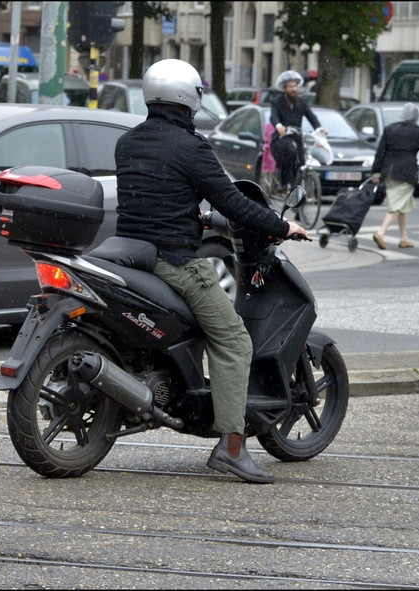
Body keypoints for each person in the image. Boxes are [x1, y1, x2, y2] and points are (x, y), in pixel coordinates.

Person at [114, 59, 308, 484]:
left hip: (130, 255)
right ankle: (232, 448)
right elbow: (233, 203)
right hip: (174, 261)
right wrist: (282, 227)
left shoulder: (127, 142)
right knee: (235, 341)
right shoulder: (190, 146)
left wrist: (193, 217)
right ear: (188, 97)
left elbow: (152, 197)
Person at [371, 102, 419, 250]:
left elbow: (380, 152)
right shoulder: (417, 132)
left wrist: (376, 171)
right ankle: (380, 233)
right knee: (397, 205)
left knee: (403, 205)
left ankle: (404, 238)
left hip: (388, 172)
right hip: (405, 174)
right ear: (416, 118)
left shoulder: (390, 129)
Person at [269, 69, 325, 192]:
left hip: (297, 137)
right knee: (290, 151)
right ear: (284, 88)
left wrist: (319, 128)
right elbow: (273, 117)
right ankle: (284, 182)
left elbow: (312, 117)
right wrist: (279, 126)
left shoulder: (301, 103)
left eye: (295, 86)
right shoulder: (277, 102)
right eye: (290, 87)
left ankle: (297, 186)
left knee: (301, 159)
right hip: (282, 138)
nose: (293, 89)